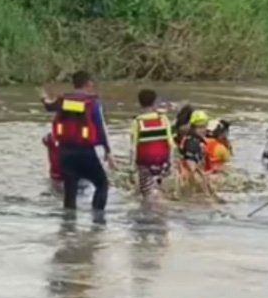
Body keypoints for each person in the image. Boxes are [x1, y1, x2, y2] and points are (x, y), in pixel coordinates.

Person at [41, 71, 116, 211]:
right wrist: (108, 151)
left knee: (70, 192)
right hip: (85, 151)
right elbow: (100, 127)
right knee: (102, 184)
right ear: (88, 84)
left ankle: (68, 227)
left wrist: (44, 98)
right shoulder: (92, 103)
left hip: (65, 153)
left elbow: (49, 106)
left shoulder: (63, 100)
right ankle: (98, 222)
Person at [130, 89, 173, 200]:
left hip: (145, 163)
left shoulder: (137, 122)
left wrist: (132, 168)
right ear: (155, 102)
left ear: (140, 104)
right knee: (161, 190)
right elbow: (170, 143)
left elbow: (133, 147)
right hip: (163, 161)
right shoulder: (163, 119)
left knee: (147, 195)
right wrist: (170, 163)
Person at [178, 110, 222, 201]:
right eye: (200, 127)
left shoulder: (196, 140)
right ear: (193, 128)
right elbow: (191, 165)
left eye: (204, 126)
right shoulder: (192, 143)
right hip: (190, 175)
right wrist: (203, 177)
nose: (203, 130)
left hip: (193, 173)